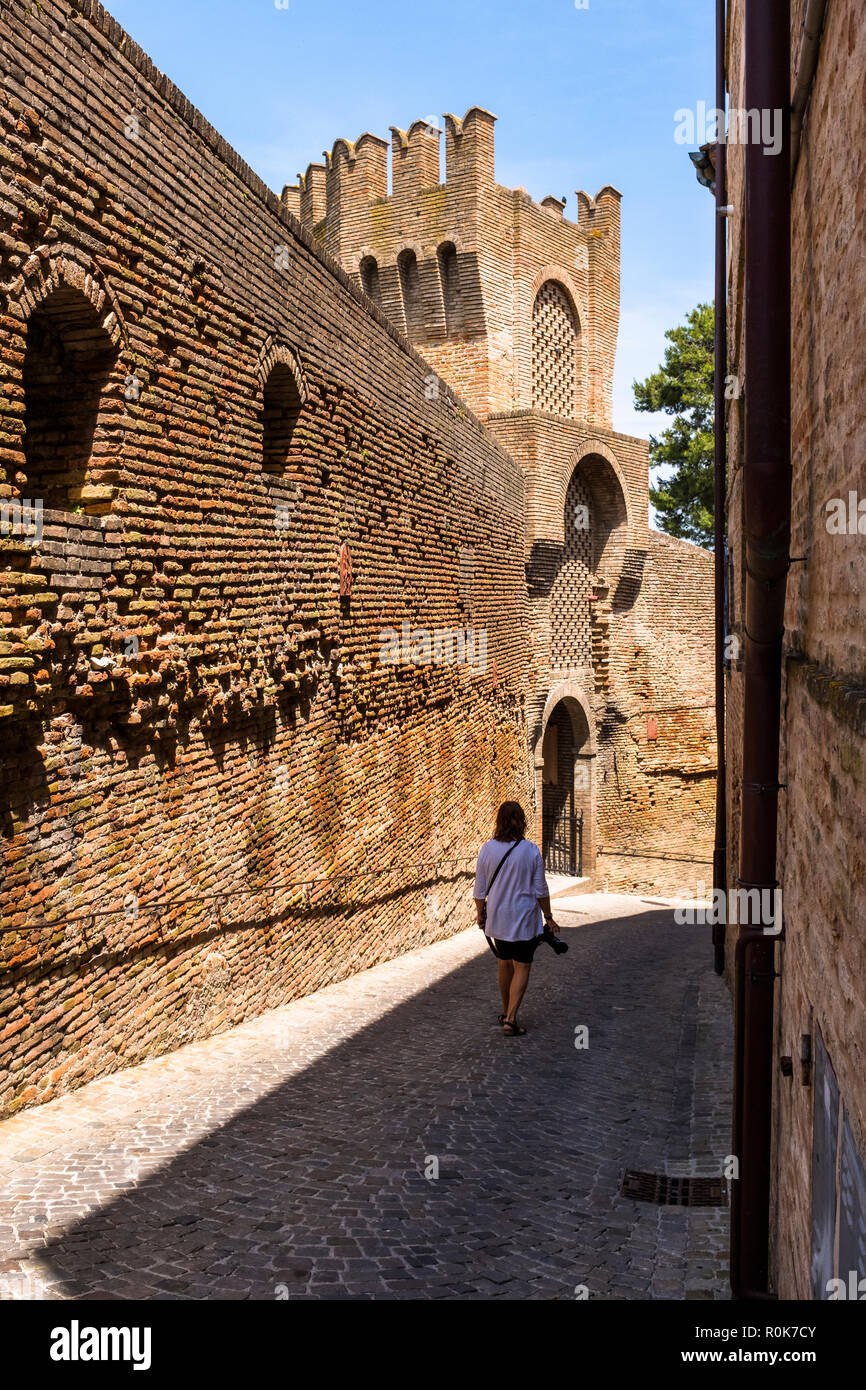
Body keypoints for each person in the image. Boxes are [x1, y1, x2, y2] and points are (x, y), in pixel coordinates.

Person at [473, 801, 563, 1037]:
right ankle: (511, 1018)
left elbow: (480, 889)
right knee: (522, 964)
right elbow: (540, 890)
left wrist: (480, 912)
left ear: (499, 821)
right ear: (522, 822)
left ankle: (507, 1012)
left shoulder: (487, 849)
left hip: (498, 916)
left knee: (504, 962)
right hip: (523, 917)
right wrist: (549, 916)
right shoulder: (531, 850)